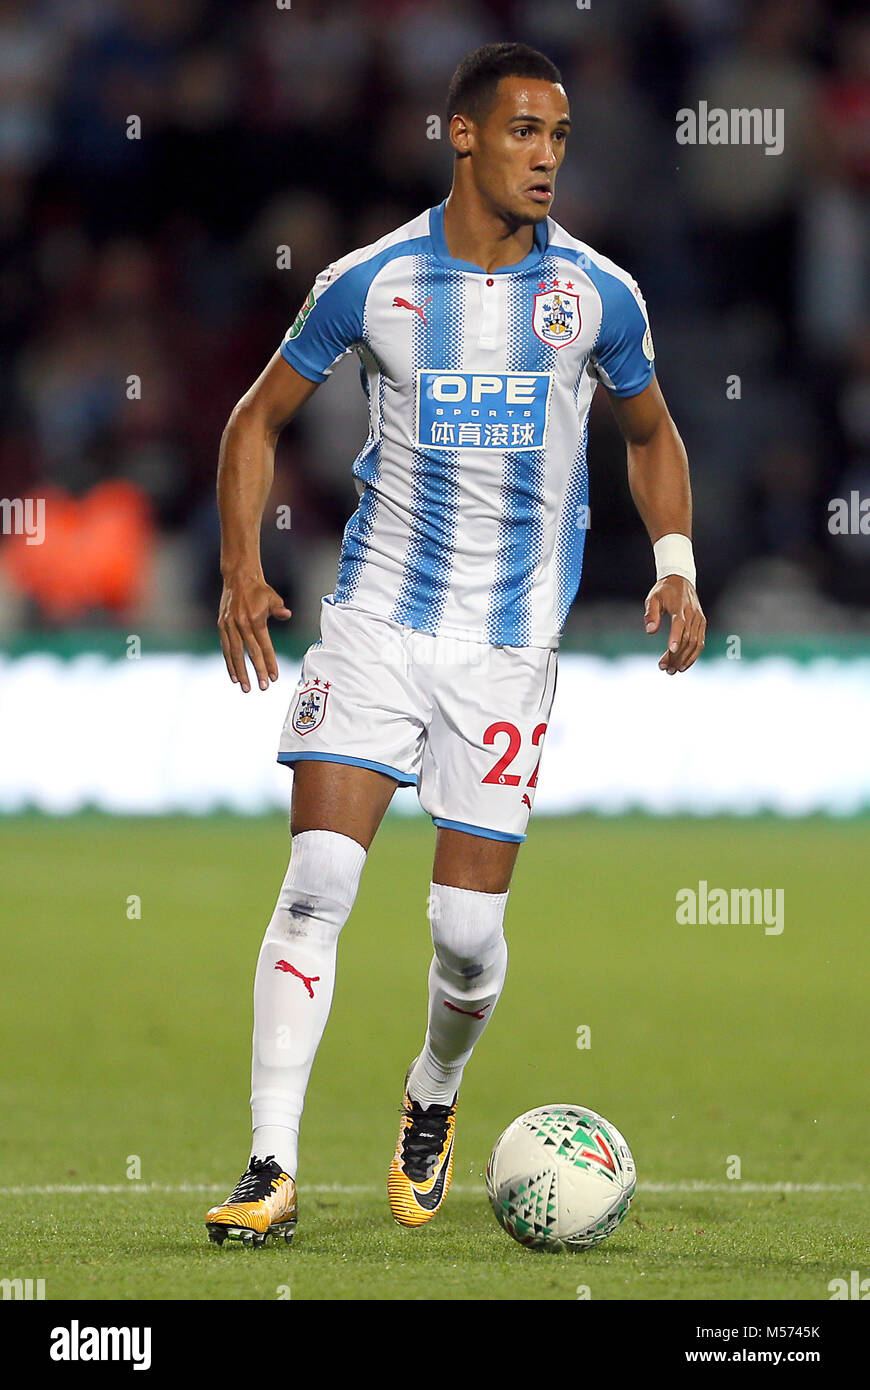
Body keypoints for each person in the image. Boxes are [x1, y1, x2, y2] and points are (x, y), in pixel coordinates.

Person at [206, 41, 705, 1247]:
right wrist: (239, 566)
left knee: (468, 941)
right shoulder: (370, 283)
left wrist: (677, 567)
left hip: (507, 652)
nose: (548, 157)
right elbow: (255, 417)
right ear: (465, 135)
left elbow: (650, 434)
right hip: (376, 625)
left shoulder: (597, 296)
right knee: (319, 881)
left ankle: (431, 1094)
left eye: (562, 137)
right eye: (527, 132)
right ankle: (271, 1163)